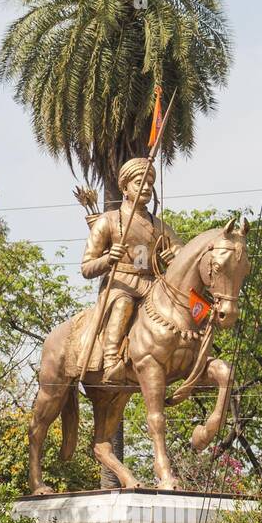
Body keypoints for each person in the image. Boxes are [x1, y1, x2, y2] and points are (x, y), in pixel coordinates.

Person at [80, 157, 181, 381]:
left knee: (179, 308)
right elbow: (86, 267)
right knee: (123, 303)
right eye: (139, 182)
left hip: (152, 285)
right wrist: (108, 259)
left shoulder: (160, 226)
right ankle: (111, 361)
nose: (146, 187)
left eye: (150, 183)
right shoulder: (108, 221)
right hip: (120, 284)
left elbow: (183, 254)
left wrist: (173, 257)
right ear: (125, 187)